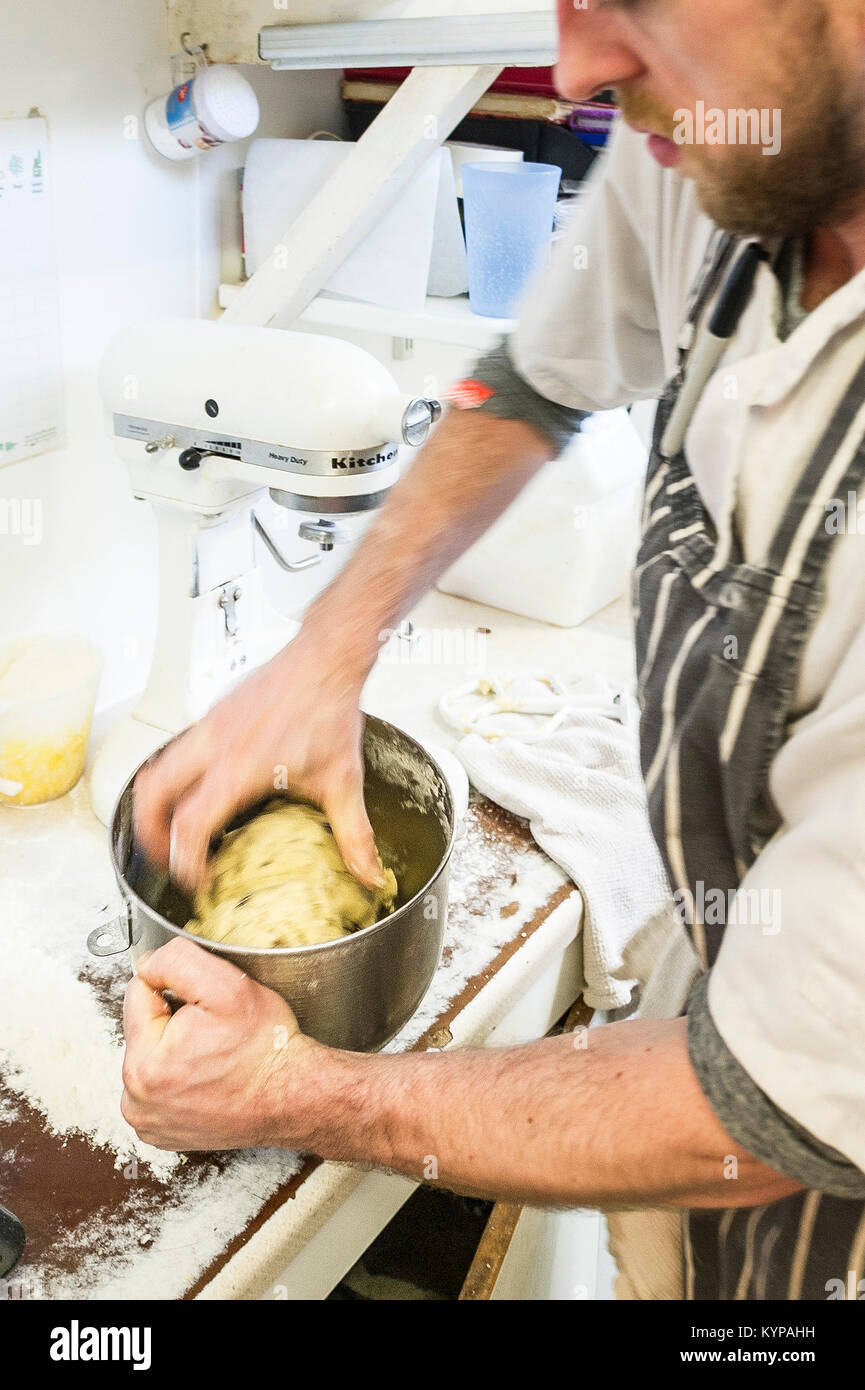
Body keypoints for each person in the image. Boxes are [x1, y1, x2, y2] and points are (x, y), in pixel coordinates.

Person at [122, 0, 865, 1300]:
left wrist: (295, 1087)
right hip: (733, 995)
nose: (573, 63)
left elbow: (760, 1113)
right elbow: (533, 383)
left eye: (631, 2)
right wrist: (325, 649)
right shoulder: (729, 137)